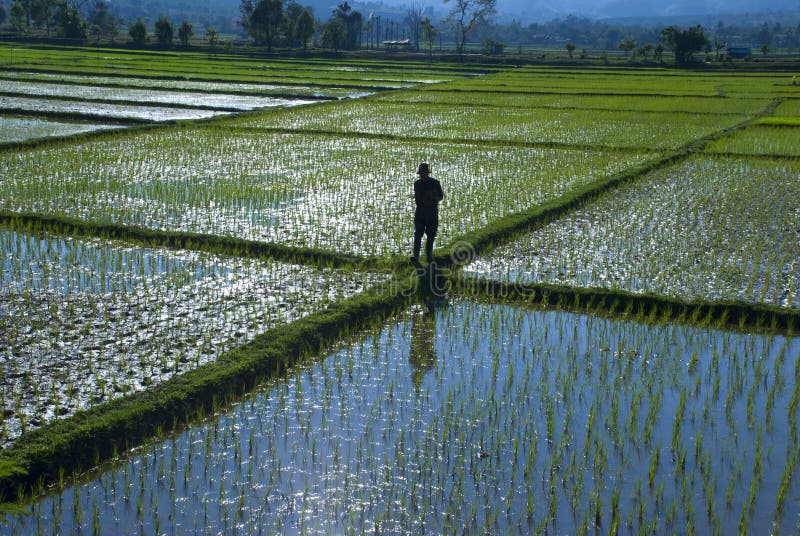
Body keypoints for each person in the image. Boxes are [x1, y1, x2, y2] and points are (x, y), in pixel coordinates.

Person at [411, 162, 444, 265]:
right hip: (421, 212)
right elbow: (419, 201)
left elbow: (440, 197)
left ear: (427, 173)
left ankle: (428, 256)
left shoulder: (435, 183)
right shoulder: (417, 184)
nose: (422, 175)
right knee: (418, 234)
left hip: (432, 212)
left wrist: (432, 197)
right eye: (421, 173)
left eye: (423, 173)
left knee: (431, 234)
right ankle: (415, 256)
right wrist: (429, 197)